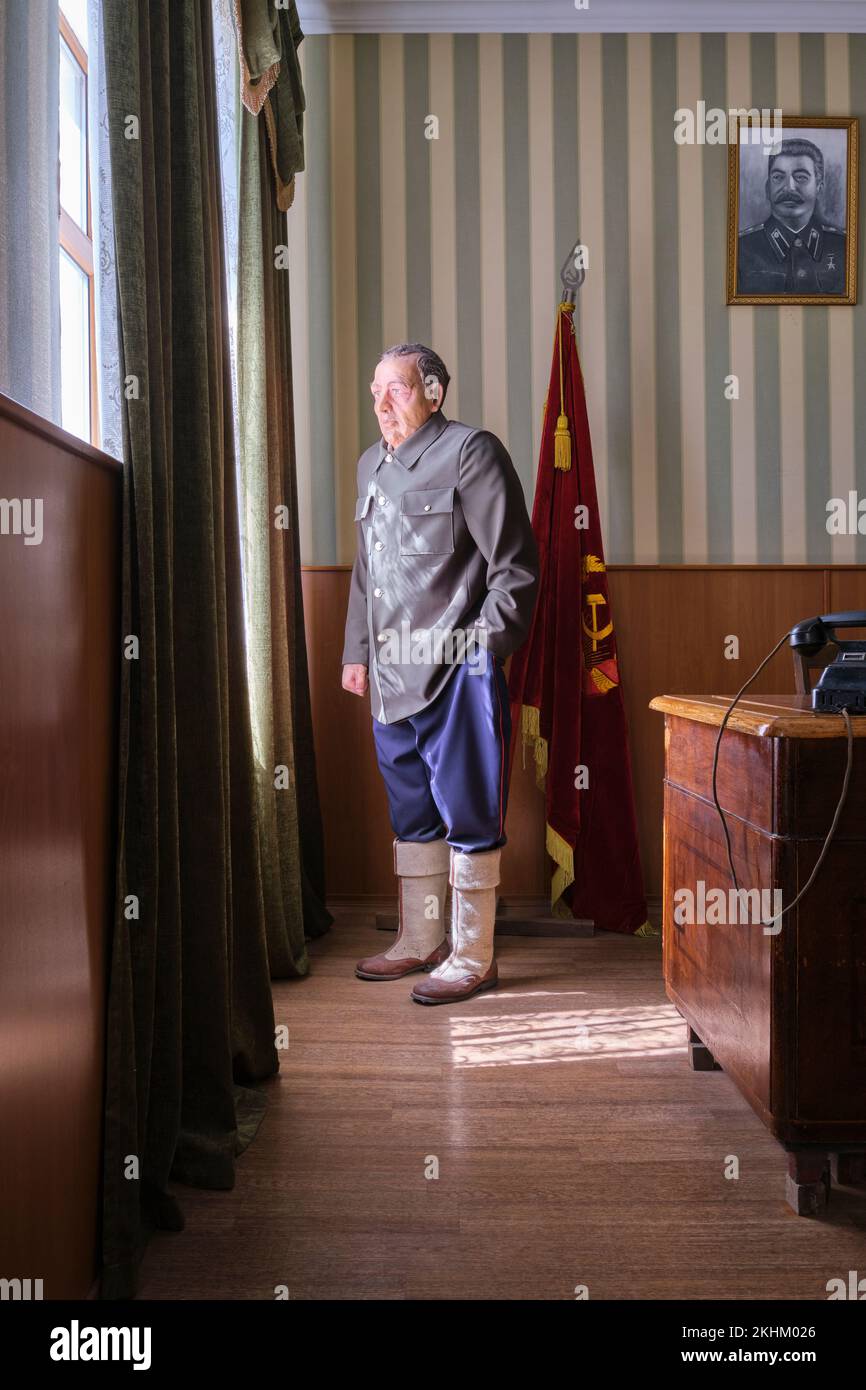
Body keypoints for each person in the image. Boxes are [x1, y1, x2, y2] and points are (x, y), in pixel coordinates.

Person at [341, 342, 539, 1004]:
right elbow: (367, 578)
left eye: (394, 389)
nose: (380, 402)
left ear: (433, 391)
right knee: (412, 813)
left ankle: (474, 956)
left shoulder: (471, 453)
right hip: (391, 673)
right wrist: (355, 653)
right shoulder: (371, 465)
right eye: (375, 390)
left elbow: (515, 569)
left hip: (457, 671)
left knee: (470, 813)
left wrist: (481, 651)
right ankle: (421, 941)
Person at [738, 137, 846, 295]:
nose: (789, 187)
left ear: (819, 187)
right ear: (768, 188)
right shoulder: (741, 249)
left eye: (801, 177)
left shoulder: (844, 247)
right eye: (778, 177)